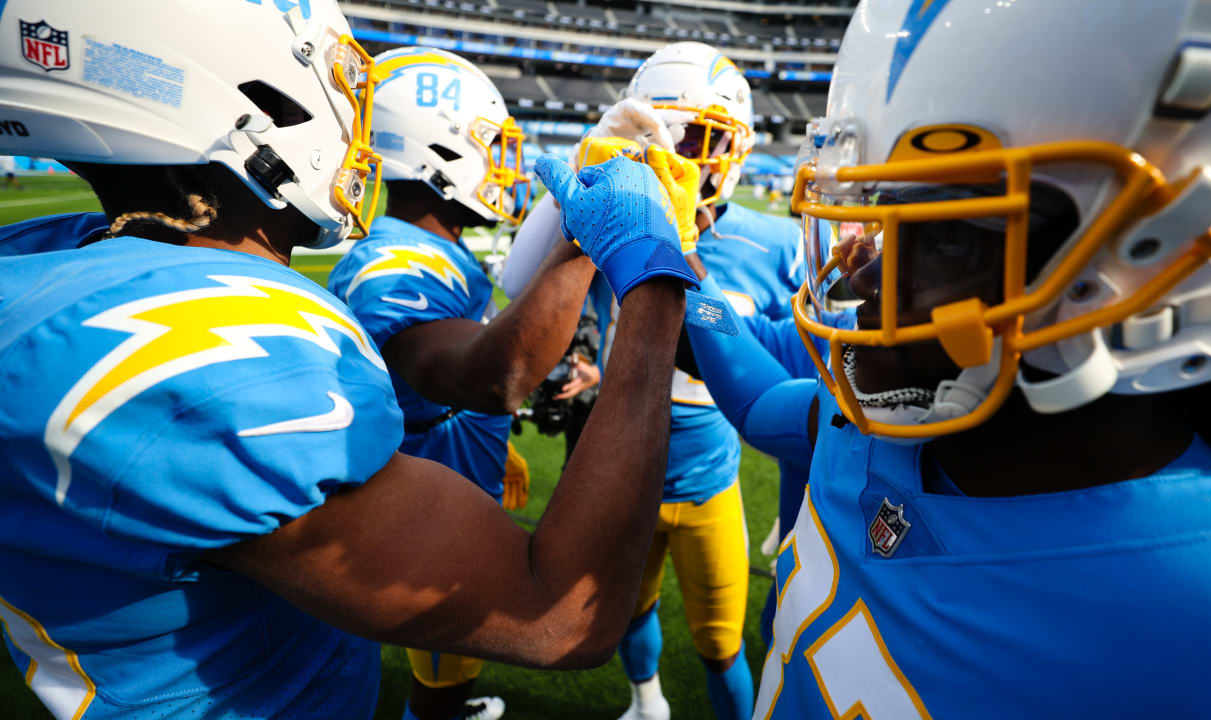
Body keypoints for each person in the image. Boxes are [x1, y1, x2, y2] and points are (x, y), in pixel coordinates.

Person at [0, 2, 698, 718]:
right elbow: (560, 614)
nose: (351, 128)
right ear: (247, 103)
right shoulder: (208, 344)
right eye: (333, 87)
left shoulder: (47, 266)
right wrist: (654, 276)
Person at [678, 1, 1211, 717]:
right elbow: (753, 401)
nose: (864, 283)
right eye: (880, 220)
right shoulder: (878, 424)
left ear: (1161, 263)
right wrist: (665, 261)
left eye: (947, 238)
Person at [504, 42, 804, 720]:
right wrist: (591, 157)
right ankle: (647, 703)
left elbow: (789, 376)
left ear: (735, 145)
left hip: (709, 480)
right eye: (663, 130)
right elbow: (516, 284)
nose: (684, 153)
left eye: (701, 135)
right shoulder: (628, 216)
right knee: (625, 615)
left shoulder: (777, 243)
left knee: (724, 644)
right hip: (626, 472)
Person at [324, 46, 597, 720]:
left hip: (448, 493)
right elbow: (493, 376)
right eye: (488, 147)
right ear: (436, 155)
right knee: (441, 666)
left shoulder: (430, 252)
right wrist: (591, 237)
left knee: (447, 664)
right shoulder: (393, 265)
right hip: (421, 531)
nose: (502, 166)